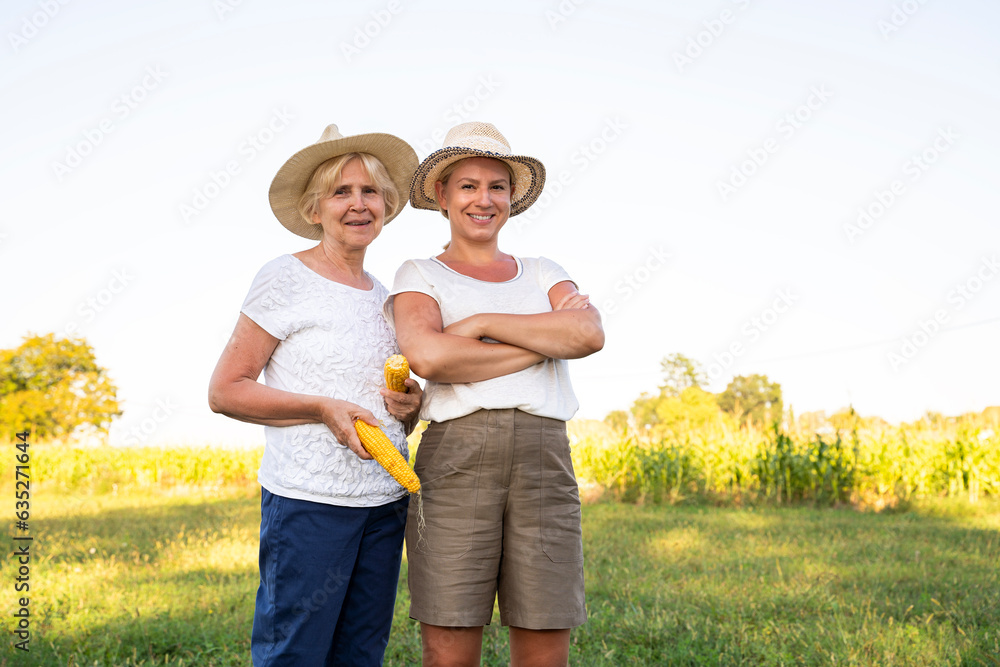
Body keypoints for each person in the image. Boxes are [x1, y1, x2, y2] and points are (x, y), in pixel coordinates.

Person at [385, 122, 605, 667]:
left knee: (545, 637)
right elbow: (430, 357)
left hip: (543, 456)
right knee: (450, 646)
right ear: (442, 195)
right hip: (457, 455)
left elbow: (587, 334)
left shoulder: (542, 270)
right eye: (468, 186)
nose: (484, 200)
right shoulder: (419, 272)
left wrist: (481, 323)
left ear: (511, 197)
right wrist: (540, 341)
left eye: (497, 186)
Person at [208, 124, 423, 666]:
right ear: (314, 209)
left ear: (387, 205)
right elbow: (225, 391)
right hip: (308, 503)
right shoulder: (284, 277)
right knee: (295, 653)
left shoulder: (386, 298)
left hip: (383, 505)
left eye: (369, 191)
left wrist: (409, 408)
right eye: (340, 192)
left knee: (360, 654)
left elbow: (385, 409)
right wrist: (320, 407)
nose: (358, 204)